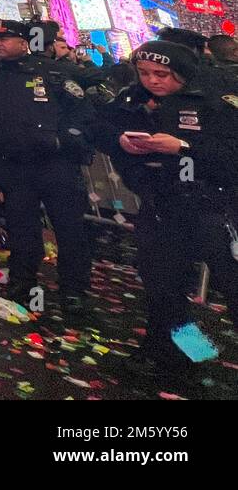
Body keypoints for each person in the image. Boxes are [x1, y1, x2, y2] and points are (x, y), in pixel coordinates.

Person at [89, 40, 238, 368]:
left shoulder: (217, 98)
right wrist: (120, 141)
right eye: (144, 73)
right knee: (163, 291)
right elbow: (96, 125)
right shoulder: (133, 98)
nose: (153, 80)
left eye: (163, 73)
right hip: (161, 207)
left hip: (216, 209)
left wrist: (184, 147)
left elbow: (230, 156)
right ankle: (182, 353)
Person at [0, 20, 95, 319]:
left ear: (24, 42)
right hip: (14, 168)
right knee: (22, 231)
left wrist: (61, 140)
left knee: (69, 230)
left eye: (5, 38)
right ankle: (21, 286)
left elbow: (83, 113)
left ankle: (74, 291)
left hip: (56, 165)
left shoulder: (53, 72)